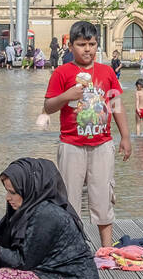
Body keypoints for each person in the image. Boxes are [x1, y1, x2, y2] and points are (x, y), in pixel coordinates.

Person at [43, 20, 131, 249]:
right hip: (71, 144)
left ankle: (106, 248)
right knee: (69, 198)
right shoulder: (62, 73)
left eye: (91, 44)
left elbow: (116, 103)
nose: (88, 49)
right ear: (71, 46)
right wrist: (66, 96)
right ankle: (71, 249)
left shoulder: (106, 71)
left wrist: (126, 136)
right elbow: (49, 106)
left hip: (102, 144)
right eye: (82, 44)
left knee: (103, 196)